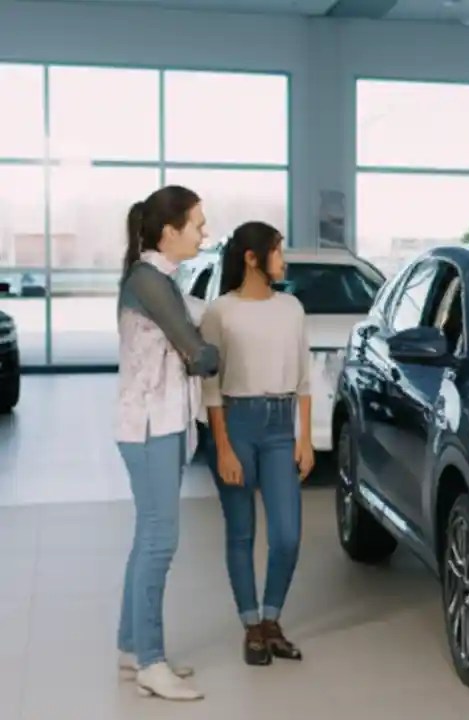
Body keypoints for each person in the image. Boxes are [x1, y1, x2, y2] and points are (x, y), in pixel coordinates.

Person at [115, 185, 219, 701]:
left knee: (147, 537)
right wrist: (212, 350)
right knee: (160, 540)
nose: (205, 232)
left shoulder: (160, 279)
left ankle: (133, 646)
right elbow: (199, 353)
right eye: (198, 224)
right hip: (151, 426)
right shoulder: (150, 281)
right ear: (170, 230)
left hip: (157, 423)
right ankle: (152, 664)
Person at [199, 221, 314, 666]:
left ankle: (272, 619)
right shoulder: (220, 312)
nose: (283, 259)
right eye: (277, 250)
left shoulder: (292, 308)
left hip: (281, 426)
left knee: (287, 535)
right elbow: (210, 389)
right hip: (236, 423)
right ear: (252, 258)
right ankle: (252, 627)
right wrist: (224, 446)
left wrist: (304, 438)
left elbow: (304, 379)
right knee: (241, 531)